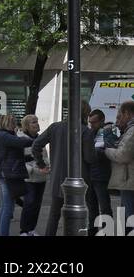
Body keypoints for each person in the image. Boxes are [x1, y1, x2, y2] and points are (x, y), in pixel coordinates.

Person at [31, 101, 92, 237]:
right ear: (85, 114)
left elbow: (36, 145)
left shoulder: (55, 127)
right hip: (80, 181)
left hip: (58, 179)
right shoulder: (85, 131)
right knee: (80, 213)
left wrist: (41, 164)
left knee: (54, 215)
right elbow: (89, 158)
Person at [104, 99, 134, 226]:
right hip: (128, 180)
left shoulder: (132, 131)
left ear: (127, 113)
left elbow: (123, 155)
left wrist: (106, 150)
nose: (119, 119)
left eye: (120, 115)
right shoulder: (129, 130)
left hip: (129, 180)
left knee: (130, 217)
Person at [84, 109, 112, 235]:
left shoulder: (108, 133)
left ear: (102, 121)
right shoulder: (89, 133)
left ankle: (107, 232)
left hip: (101, 176)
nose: (91, 125)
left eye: (94, 122)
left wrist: (94, 153)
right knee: (92, 208)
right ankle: (92, 231)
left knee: (104, 207)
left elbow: (108, 151)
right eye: (90, 122)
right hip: (89, 175)